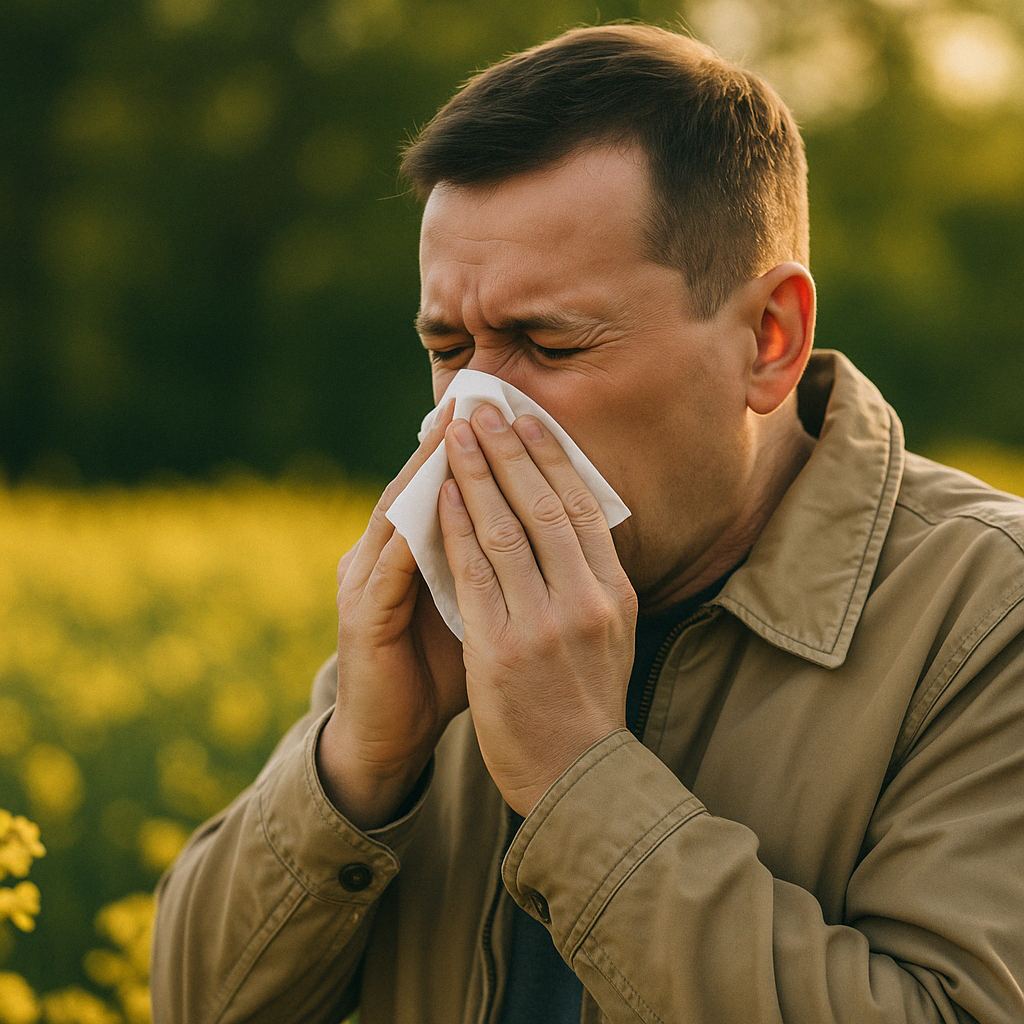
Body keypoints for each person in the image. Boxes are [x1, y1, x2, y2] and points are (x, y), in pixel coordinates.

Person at [150, 23, 1024, 1024]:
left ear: (767, 339)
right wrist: (357, 764)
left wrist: (575, 774)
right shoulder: (451, 600)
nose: (472, 413)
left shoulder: (986, 614)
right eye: (448, 346)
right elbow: (194, 1004)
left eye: (544, 341)